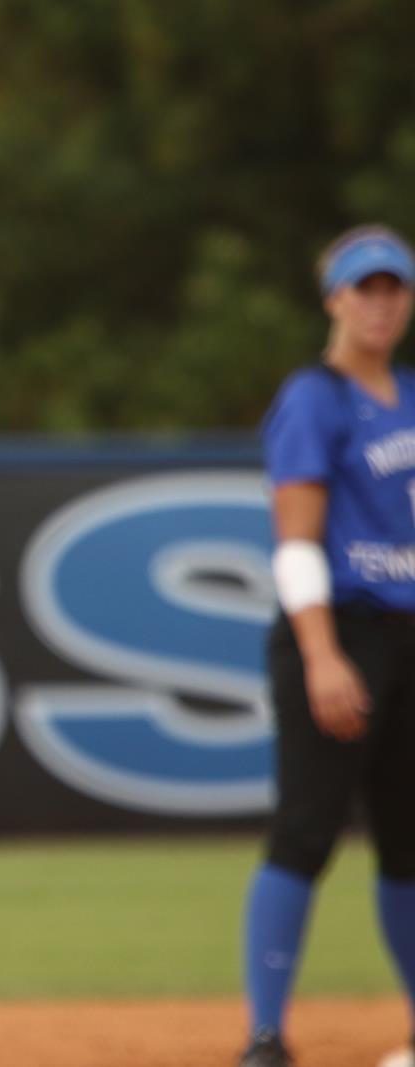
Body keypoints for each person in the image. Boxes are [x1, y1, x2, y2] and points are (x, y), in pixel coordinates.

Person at [241, 226, 415, 1067]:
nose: (380, 303)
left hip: (409, 632)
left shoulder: (411, 397)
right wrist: (320, 653)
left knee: (411, 839)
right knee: (308, 829)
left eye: (394, 288)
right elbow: (298, 538)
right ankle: (267, 1036)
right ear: (334, 299)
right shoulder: (314, 396)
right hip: (338, 628)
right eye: (364, 287)